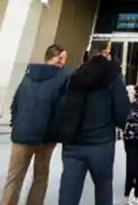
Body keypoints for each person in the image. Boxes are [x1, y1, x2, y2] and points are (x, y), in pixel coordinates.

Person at [56, 48, 131, 205]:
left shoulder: (75, 76)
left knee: (69, 191)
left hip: (73, 143)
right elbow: (122, 112)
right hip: (101, 143)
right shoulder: (113, 78)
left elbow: (63, 105)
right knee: (103, 188)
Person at [3, 44, 70, 205]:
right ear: (59, 58)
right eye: (63, 58)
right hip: (47, 138)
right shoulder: (63, 77)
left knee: (14, 177)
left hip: (22, 134)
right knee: (40, 177)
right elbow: (63, 108)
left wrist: (17, 124)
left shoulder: (28, 74)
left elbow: (15, 102)